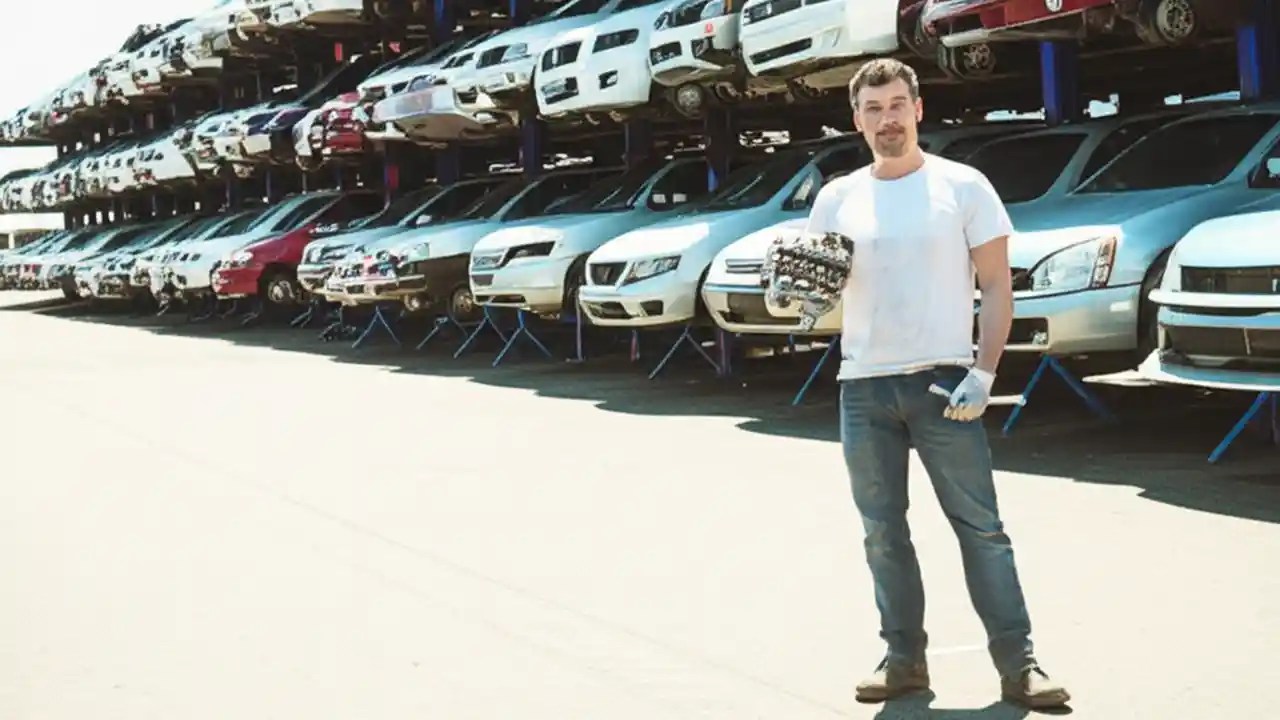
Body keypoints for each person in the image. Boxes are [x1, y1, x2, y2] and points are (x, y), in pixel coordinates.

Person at [802, 58, 1071, 709]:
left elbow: (998, 286)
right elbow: (816, 290)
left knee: (980, 528)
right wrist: (799, 300)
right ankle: (904, 664)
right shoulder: (837, 197)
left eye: (897, 105)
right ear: (856, 118)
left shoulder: (964, 186)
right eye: (873, 108)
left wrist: (984, 372)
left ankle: (1020, 666)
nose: (886, 119)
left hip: (944, 383)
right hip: (863, 387)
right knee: (882, 533)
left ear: (918, 110)